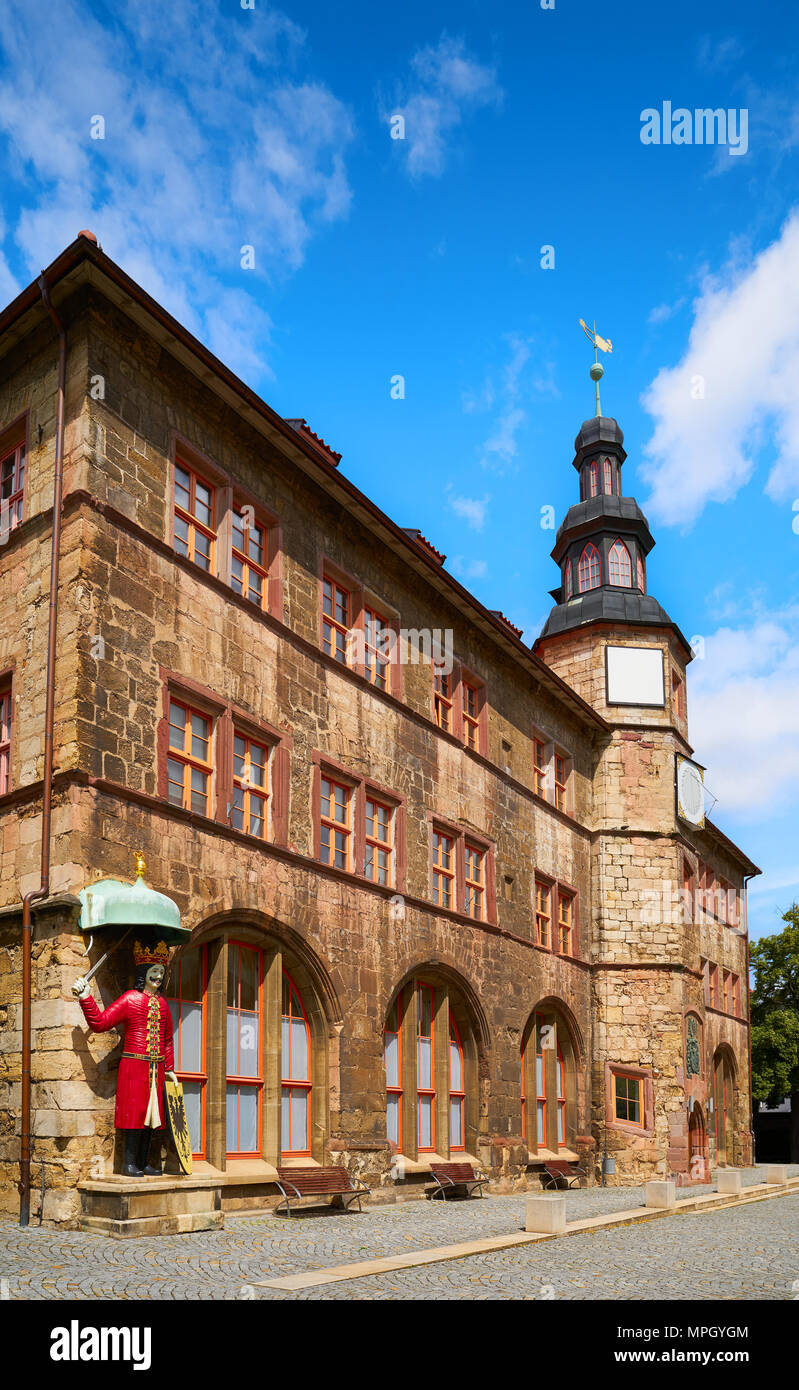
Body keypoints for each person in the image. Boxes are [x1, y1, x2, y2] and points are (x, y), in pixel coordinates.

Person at [73, 939, 177, 1177]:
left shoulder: (163, 1004)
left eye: (161, 972)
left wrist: (169, 1067)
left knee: (153, 1116)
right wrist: (86, 997)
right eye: (154, 972)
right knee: (134, 1113)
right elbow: (100, 1023)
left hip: (156, 1067)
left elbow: (167, 1039)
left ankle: (144, 1162)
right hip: (133, 1065)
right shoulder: (130, 999)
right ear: (144, 973)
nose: (158, 977)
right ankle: (128, 1163)